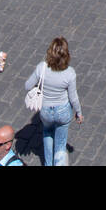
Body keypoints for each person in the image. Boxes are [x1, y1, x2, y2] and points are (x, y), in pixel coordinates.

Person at [25, 37, 83, 167]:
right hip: (63, 111)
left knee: (47, 132)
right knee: (61, 144)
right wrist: (78, 112)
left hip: (45, 110)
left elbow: (28, 86)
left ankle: (47, 163)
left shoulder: (42, 68)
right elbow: (73, 97)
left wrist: (39, 88)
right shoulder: (70, 73)